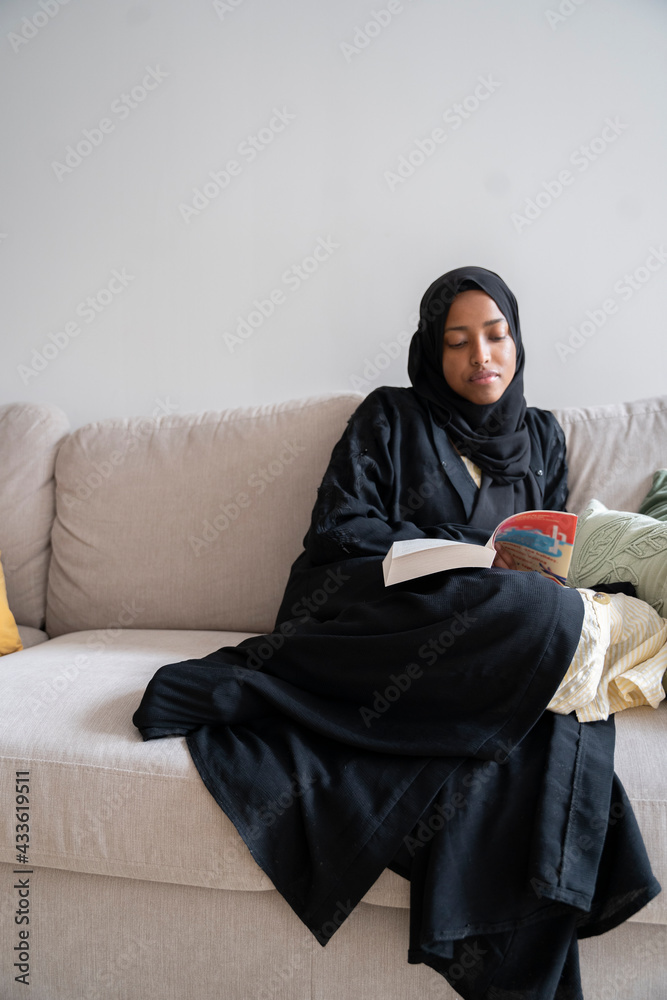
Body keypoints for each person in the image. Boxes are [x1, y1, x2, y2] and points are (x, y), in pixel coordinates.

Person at [134, 266, 661, 1000]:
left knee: (546, 611)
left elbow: (552, 553)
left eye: (495, 334)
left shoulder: (540, 437)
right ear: (430, 352)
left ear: (516, 340)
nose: (481, 355)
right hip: (384, 614)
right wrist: (456, 551)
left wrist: (523, 573)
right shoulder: (388, 417)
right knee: (529, 621)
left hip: (484, 626)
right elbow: (340, 530)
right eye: (457, 341)